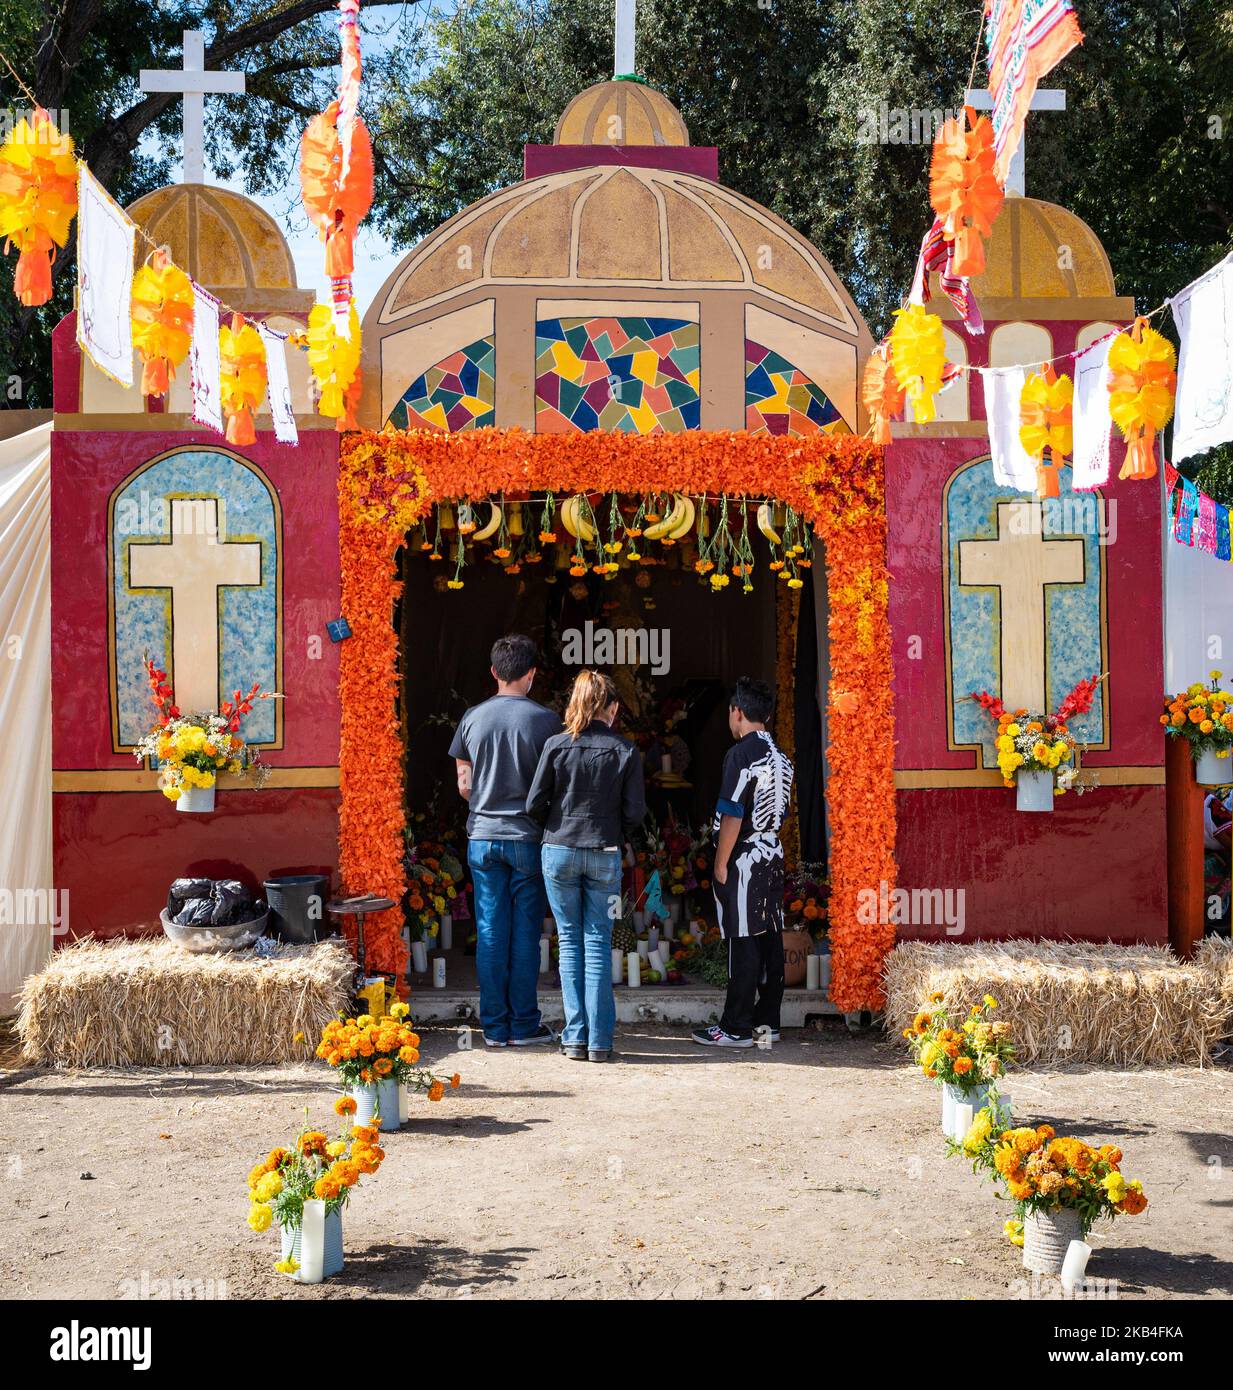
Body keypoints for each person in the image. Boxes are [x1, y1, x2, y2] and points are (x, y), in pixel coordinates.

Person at [449, 634, 562, 1048]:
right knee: (526, 932)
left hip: (482, 836)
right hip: (527, 839)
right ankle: (523, 1024)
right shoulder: (547, 722)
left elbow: (464, 786)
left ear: (494, 672)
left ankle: (494, 1028)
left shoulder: (472, 719)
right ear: (531, 674)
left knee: (491, 931)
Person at [527, 670, 646, 1062]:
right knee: (597, 943)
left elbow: (534, 804)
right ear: (611, 708)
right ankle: (599, 1041)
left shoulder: (556, 745)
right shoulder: (626, 750)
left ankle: (574, 1037)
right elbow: (635, 813)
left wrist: (557, 825)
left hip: (559, 850)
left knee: (569, 942)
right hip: (605, 851)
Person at [692, 677, 794, 1049]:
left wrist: (721, 862)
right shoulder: (782, 757)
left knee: (743, 938)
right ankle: (768, 1024)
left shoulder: (741, 754)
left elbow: (732, 811)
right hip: (773, 853)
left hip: (747, 856)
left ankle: (735, 1027)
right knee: (770, 936)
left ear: (737, 712)